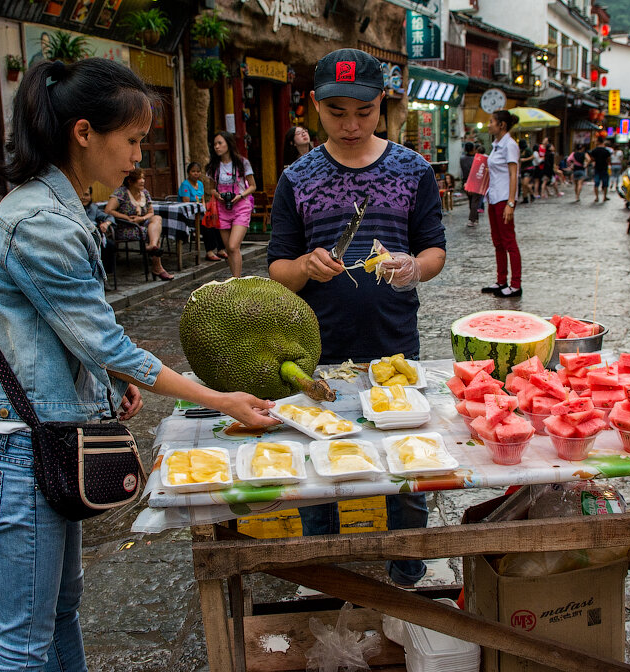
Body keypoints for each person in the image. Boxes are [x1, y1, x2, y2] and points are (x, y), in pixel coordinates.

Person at [0, 58, 278, 672]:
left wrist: (110, 385)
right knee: (21, 645)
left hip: (49, 435)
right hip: (24, 453)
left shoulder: (61, 203)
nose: (136, 157)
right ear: (83, 134)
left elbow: (64, 331)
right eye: (130, 141)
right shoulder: (41, 221)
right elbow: (104, 340)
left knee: (60, 613)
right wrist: (220, 399)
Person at [268, 48, 446, 589]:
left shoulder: (413, 170)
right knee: (317, 465)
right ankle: (322, 572)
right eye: (336, 111)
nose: (350, 124)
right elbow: (277, 269)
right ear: (316, 105)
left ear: (383, 106)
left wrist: (413, 267)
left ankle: (407, 568)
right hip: (315, 352)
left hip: (394, 347)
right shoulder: (297, 178)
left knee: (405, 465)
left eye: (363, 112)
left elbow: (435, 252)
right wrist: (303, 266)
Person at [105, 168, 174, 280]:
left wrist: (141, 218)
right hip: (126, 227)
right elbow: (108, 210)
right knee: (154, 233)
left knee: (157, 219)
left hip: (141, 225)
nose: (142, 181)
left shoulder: (145, 193)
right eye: (139, 178)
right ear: (130, 181)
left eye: (143, 178)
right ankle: (158, 267)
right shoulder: (121, 192)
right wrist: (126, 217)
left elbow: (151, 212)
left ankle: (152, 245)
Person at [481, 109, 522, 298]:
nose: (488, 125)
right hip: (493, 197)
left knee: (509, 242)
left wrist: (511, 203)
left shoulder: (510, 145)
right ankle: (501, 280)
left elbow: (514, 174)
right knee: (497, 242)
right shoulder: (496, 144)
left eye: (491, 121)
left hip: (504, 199)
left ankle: (515, 285)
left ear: (501, 125)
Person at [206, 130, 256, 277]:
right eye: (215, 144)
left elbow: (253, 186)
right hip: (222, 208)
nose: (217, 146)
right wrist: (218, 195)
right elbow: (211, 188)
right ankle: (235, 281)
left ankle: (237, 280)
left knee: (234, 246)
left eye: (220, 143)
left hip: (241, 206)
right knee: (228, 248)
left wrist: (240, 196)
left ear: (228, 143)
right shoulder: (213, 166)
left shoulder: (242, 163)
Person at [180, 161, 224, 262]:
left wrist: (204, 209)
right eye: (193, 171)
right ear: (188, 172)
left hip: (201, 213)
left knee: (216, 221)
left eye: (198, 171)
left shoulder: (200, 184)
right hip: (189, 215)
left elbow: (203, 199)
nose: (196, 173)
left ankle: (220, 249)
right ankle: (209, 251)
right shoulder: (185, 185)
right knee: (207, 224)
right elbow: (186, 203)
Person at [79, 187, 116, 275]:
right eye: (81, 195)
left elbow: (109, 217)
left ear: (90, 196)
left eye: (86, 195)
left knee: (109, 245)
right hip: (81, 237)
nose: (84, 197)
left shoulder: (93, 208)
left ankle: (105, 275)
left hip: (95, 236)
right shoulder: (73, 208)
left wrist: (106, 224)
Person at [459, 142, 481, 226]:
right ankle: (472, 219)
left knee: (471, 200)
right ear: (473, 149)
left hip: (465, 181)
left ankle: (475, 218)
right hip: (475, 181)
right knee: (475, 201)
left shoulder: (462, 159)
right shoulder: (476, 159)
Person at [588, 137, 612, 203]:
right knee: (605, 184)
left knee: (596, 183)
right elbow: (609, 160)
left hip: (597, 168)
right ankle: (604, 197)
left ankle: (597, 197)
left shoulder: (594, 150)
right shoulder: (606, 151)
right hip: (604, 168)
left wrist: (589, 163)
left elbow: (592, 159)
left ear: (598, 142)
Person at [518, 139, 535, 203]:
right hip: (523, 169)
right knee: (523, 184)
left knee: (525, 183)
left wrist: (525, 159)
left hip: (529, 168)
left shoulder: (528, 150)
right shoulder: (521, 151)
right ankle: (525, 198)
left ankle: (532, 194)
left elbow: (533, 157)